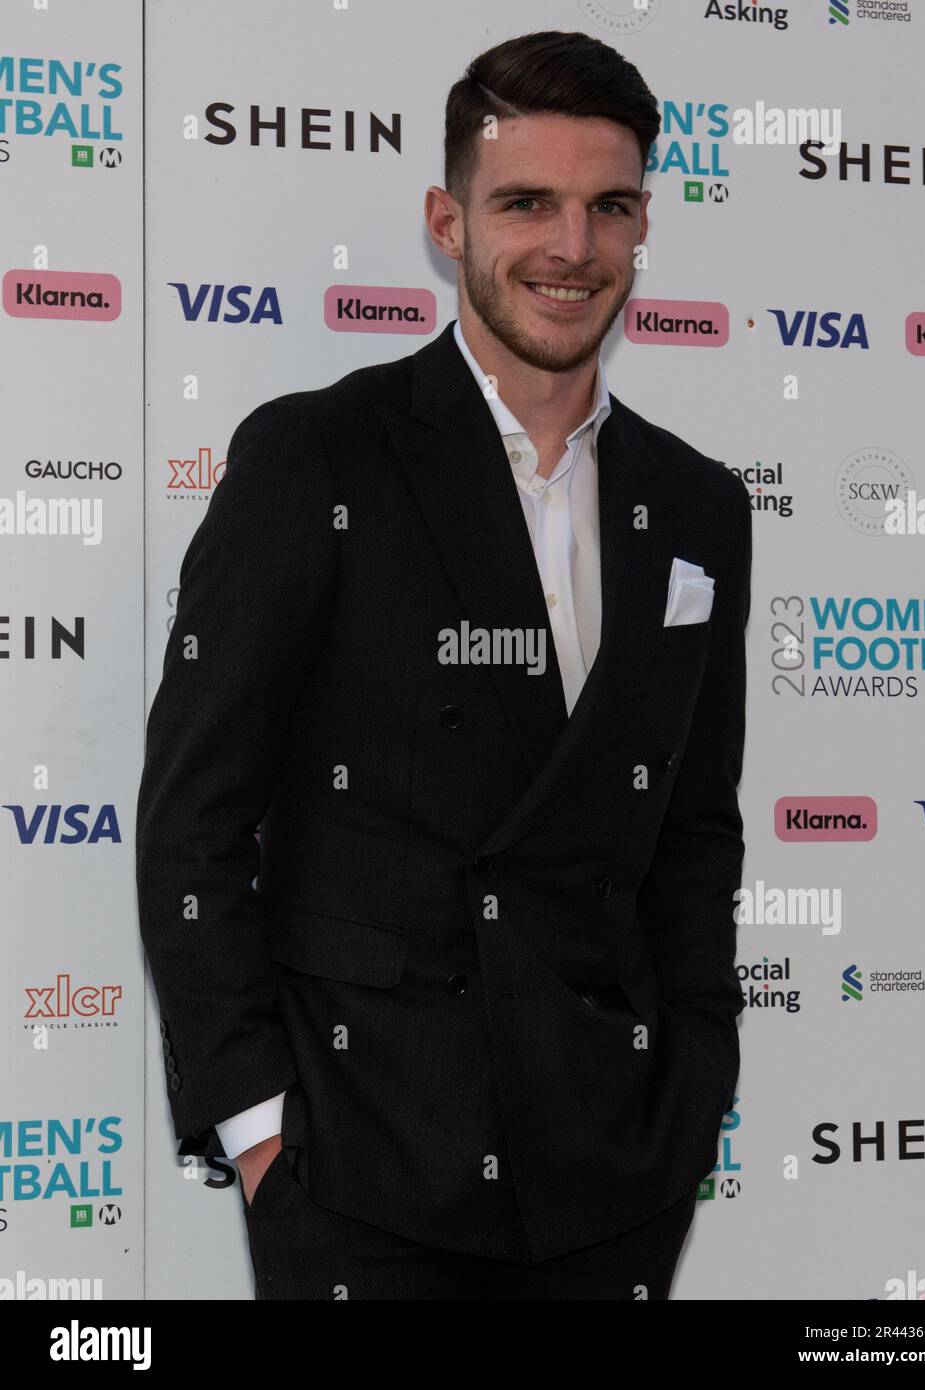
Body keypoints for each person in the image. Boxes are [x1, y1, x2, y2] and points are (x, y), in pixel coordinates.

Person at [136, 28, 752, 1300]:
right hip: (365, 1171)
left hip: (612, 1170)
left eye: (608, 207)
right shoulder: (318, 460)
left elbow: (691, 833)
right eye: (525, 202)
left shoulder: (696, 507)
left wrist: (692, 1086)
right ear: (446, 221)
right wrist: (261, 1136)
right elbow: (193, 822)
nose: (569, 248)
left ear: (643, 228)